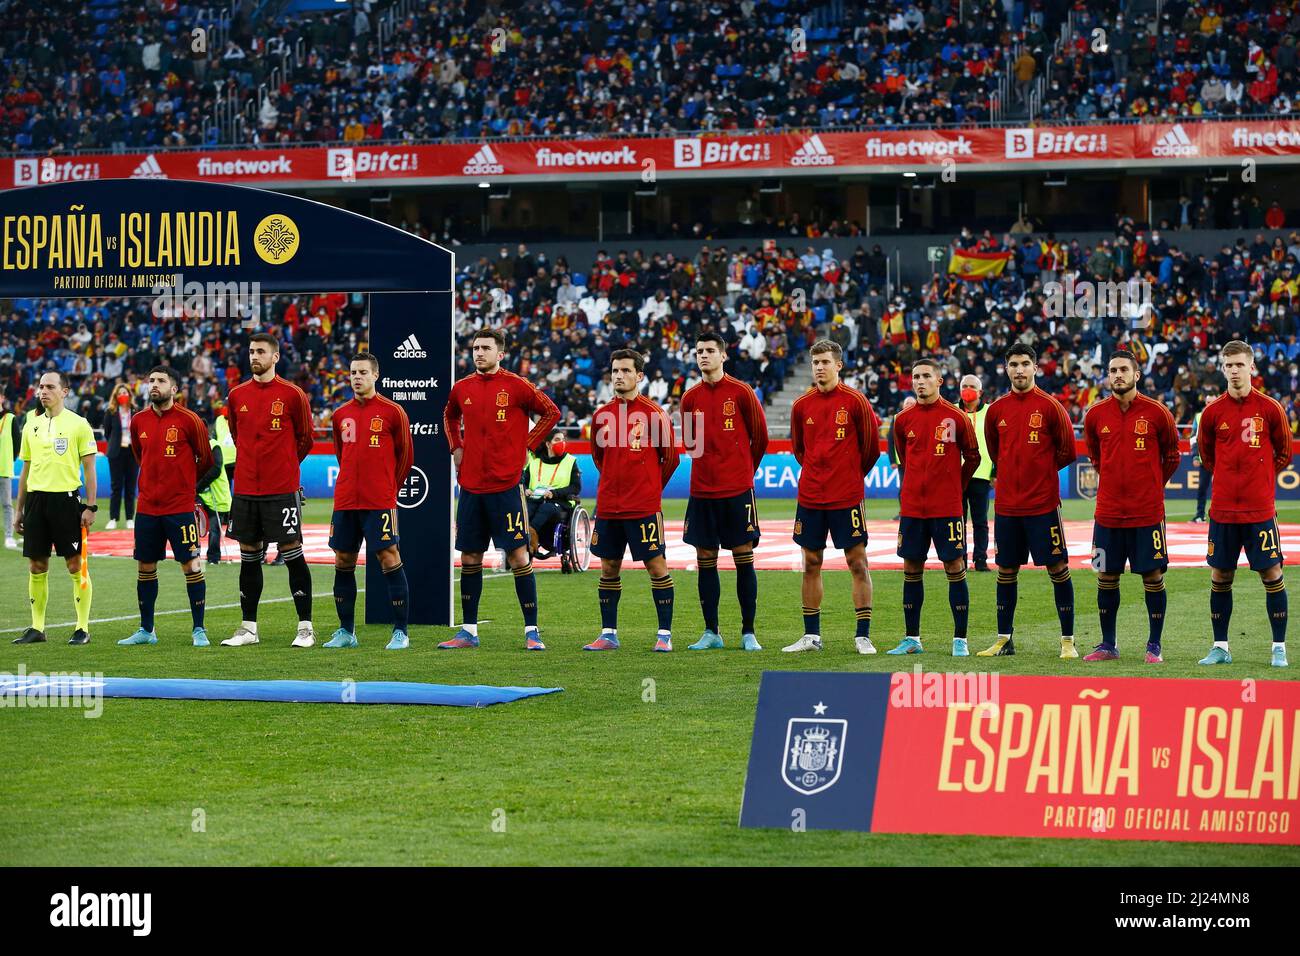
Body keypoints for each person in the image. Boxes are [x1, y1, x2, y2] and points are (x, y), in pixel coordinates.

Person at [442, 328, 560, 650]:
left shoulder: (517, 386)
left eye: (485, 348)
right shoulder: (461, 388)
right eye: (475, 348)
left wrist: (529, 446)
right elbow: (449, 416)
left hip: (506, 486)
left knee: (519, 556)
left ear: (500, 354)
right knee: (470, 557)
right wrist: (456, 447)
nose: (478, 353)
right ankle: (469, 631)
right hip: (470, 487)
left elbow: (552, 412)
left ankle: (532, 632)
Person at [977, 344, 1079, 659]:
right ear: (1006, 369)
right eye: (1013, 364)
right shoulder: (996, 410)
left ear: (1035, 367)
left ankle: (1067, 641)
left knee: (1058, 568)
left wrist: (1040, 474)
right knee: (1006, 570)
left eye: (1024, 364)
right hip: (1007, 506)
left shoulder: (1051, 407)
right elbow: (996, 452)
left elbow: (1068, 451)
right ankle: (1004, 639)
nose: (1019, 370)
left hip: (1043, 506)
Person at [1196, 341, 1292, 668]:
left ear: (1251, 367)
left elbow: (1284, 452)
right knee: (1220, 575)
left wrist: (1259, 477)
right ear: (1223, 368)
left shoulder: (1270, 408)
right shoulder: (1211, 413)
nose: (1234, 371)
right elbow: (1207, 456)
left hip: (1259, 510)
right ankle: (1220, 646)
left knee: (1272, 572)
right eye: (1229, 365)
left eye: (1240, 364)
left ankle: (1278, 647)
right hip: (1222, 510)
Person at [783, 339, 882, 654]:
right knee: (811, 562)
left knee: (857, 562)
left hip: (846, 497)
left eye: (825, 362)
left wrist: (848, 475)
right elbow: (800, 450)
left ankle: (862, 635)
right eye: (815, 363)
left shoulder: (856, 402)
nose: (820, 368)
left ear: (839, 365)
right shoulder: (801, 405)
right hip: (811, 496)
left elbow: (869, 450)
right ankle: (811, 636)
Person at [1082, 351, 1181, 663]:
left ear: (1137, 374)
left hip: (1147, 514)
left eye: (1124, 369)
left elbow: (1172, 456)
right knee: (1105, 576)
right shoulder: (1096, 415)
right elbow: (1096, 457)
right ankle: (1107, 644)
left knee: (1152, 577)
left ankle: (1154, 645)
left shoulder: (1157, 413)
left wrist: (1150, 486)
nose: (1117, 375)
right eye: (1113, 370)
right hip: (1107, 514)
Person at [220, 333, 316, 647]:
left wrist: (284, 465)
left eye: (261, 351)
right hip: (246, 489)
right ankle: (249, 628)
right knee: (249, 556)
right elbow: (237, 434)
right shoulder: (236, 395)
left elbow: (305, 439)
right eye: (251, 351)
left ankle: (305, 627)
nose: (254, 356)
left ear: (275, 357)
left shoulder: (293, 394)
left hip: (281, 488)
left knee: (292, 553)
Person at [584, 349, 681, 651]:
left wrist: (649, 488)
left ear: (639, 376)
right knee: (609, 566)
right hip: (609, 506)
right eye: (615, 371)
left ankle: (664, 635)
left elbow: (671, 459)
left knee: (656, 565)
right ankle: (608, 633)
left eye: (626, 371)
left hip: (643, 507)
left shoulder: (654, 414)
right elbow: (600, 459)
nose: (619, 376)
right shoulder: (601, 416)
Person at [679, 330, 769, 651]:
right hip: (703, 491)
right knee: (706, 558)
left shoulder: (742, 392)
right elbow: (691, 444)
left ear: (723, 355)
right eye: (699, 350)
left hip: (737, 490)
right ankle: (711, 631)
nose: (703, 355)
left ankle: (748, 632)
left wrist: (743, 472)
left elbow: (760, 439)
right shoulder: (690, 398)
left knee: (744, 557)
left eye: (709, 351)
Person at [887, 358, 981, 657]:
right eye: (916, 377)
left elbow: (973, 456)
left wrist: (957, 486)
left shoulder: (956, 417)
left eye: (927, 376)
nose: (920, 381)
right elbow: (904, 454)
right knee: (911, 568)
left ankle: (960, 640)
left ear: (939, 381)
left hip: (947, 508)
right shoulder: (902, 420)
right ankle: (912, 638)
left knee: (955, 567)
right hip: (913, 508)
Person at [118, 366, 215, 647]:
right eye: (151, 381)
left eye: (161, 381)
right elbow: (140, 455)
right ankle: (147, 630)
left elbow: (206, 460)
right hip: (147, 507)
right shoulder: (138, 421)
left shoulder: (191, 420)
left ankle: (199, 629)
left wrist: (185, 485)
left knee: (192, 565)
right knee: (145, 567)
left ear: (174, 389)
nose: (155, 385)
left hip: (180, 508)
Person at [324, 352, 414, 650]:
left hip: (379, 500)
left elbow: (406, 456)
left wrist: (388, 488)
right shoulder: (340, 415)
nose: (357, 377)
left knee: (388, 556)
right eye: (353, 373)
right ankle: (346, 631)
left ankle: (400, 631)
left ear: (376, 375)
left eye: (363, 372)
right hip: (346, 500)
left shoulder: (393, 412)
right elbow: (341, 454)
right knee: (343, 559)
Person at [11, 372, 97, 645]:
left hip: (66, 501)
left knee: (75, 565)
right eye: (40, 386)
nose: (43, 391)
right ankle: (37, 628)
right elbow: (25, 469)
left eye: (50, 387)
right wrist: (19, 509)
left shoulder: (79, 424)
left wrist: (91, 506)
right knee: (37, 565)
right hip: (37, 501)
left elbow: (90, 468)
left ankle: (82, 628)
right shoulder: (30, 425)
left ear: (65, 392)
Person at [522, 432, 582, 570]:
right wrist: (525, 489)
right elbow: (522, 481)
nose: (562, 442)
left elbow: (576, 487)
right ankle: (524, 544)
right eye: (557, 440)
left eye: (563, 439)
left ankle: (531, 538)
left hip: (560, 502)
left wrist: (554, 493)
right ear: (548, 444)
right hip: (535, 499)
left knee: (547, 509)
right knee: (524, 509)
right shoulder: (535, 462)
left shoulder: (570, 461)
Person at [959, 374, 992, 571]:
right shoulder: (951, 411)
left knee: (980, 522)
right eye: (964, 386)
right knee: (957, 521)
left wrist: (995, 471)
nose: (967, 389)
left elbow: (997, 445)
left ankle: (980, 559)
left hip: (981, 475)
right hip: (956, 475)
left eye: (971, 386)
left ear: (980, 392)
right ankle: (959, 559)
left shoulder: (990, 413)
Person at [103, 382, 139, 531]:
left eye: (125, 393)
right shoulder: (111, 412)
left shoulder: (135, 411)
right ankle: (113, 518)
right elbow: (107, 433)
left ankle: (130, 518)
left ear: (129, 395)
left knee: (130, 487)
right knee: (116, 486)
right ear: (116, 396)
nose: (122, 395)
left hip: (132, 453)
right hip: (116, 453)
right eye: (120, 393)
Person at [196, 416, 231, 565]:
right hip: (201, 493)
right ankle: (194, 553)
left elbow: (216, 469)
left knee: (214, 527)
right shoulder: (193, 448)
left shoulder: (214, 446)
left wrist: (199, 485)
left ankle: (213, 557)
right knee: (194, 523)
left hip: (215, 492)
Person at [1, 397, 19, 549]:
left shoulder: (10, 418)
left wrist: (9, 460)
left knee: (7, 504)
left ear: (2, 398)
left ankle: (8, 536)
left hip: (3, 469)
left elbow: (17, 443)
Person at [1190, 407, 1211, 523]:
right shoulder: (1199, 416)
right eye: (1208, 402)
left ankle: (1228, 516)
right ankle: (1200, 515)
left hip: (1222, 460)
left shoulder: (1223, 412)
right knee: (1202, 488)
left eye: (1211, 402)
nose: (1209, 405)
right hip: (1206, 459)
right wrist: (1195, 455)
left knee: (1225, 489)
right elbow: (1194, 438)